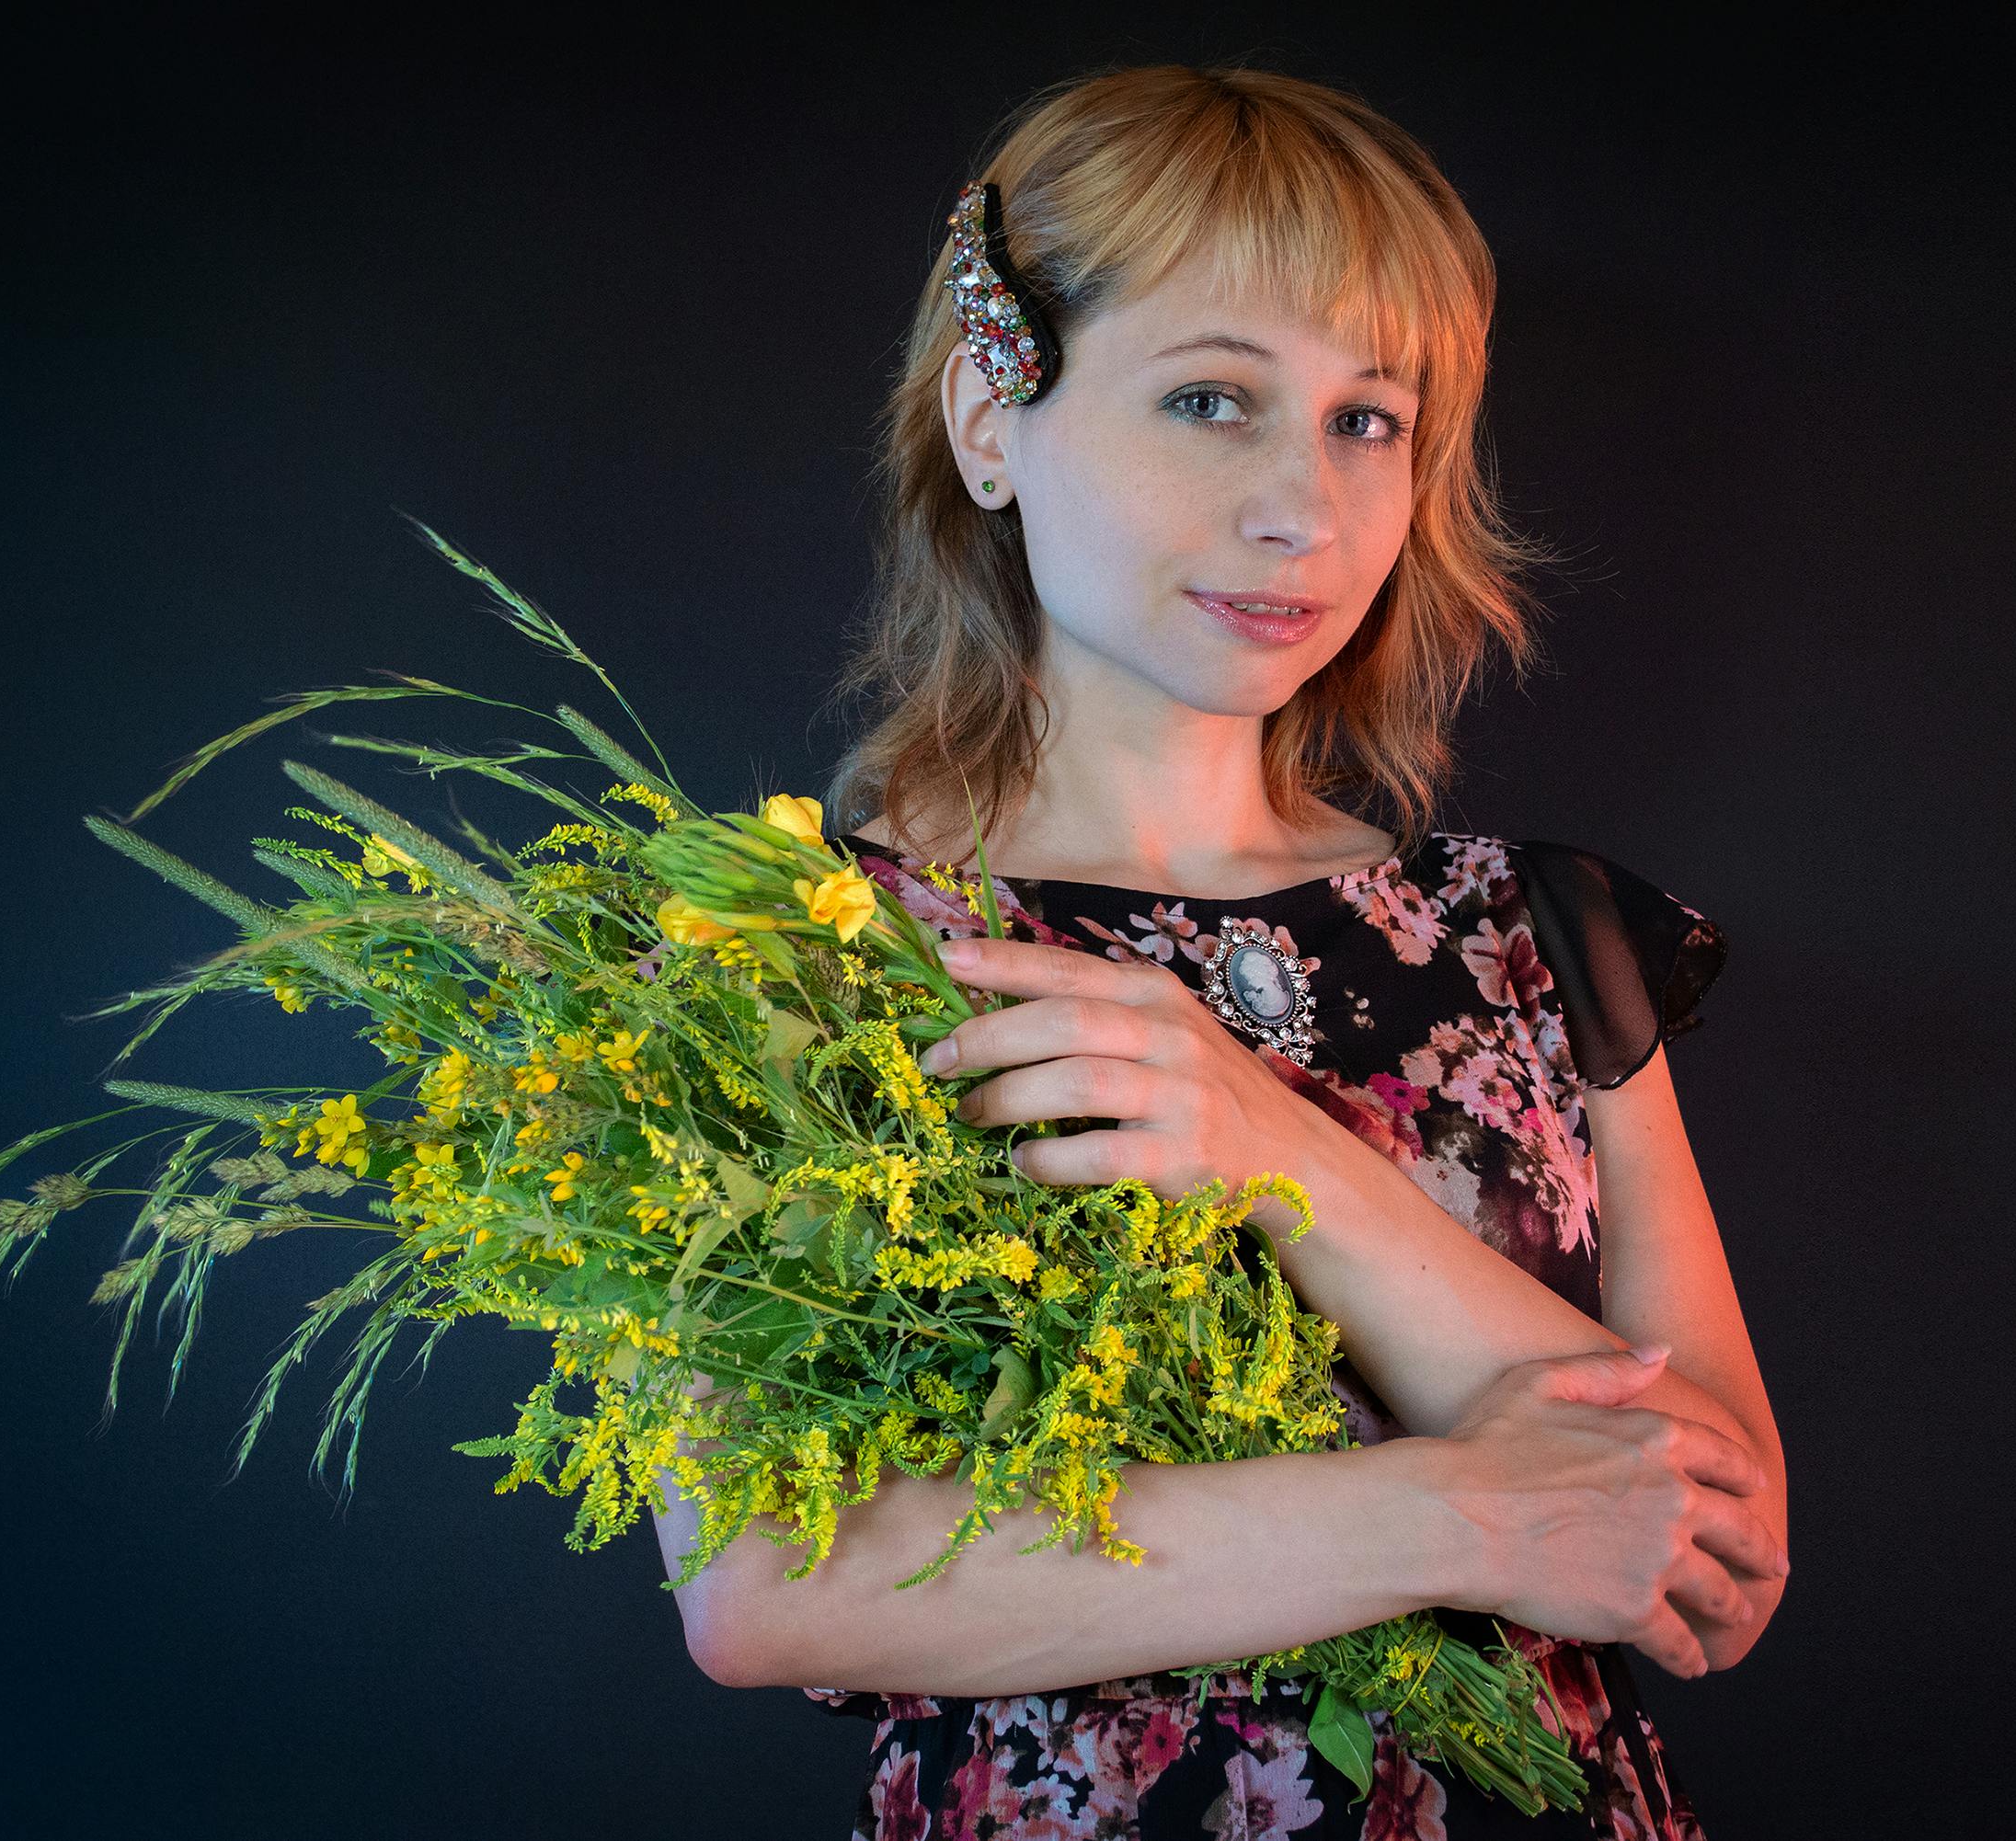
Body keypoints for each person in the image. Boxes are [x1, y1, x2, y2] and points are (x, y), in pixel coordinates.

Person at [652, 63, 1787, 1841]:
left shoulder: (1538, 932)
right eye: (1208, 399)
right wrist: (1458, 1514)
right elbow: (770, 1583)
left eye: (1368, 421)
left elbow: (1715, 1549)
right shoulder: (804, 965)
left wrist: (1275, 1155)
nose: (1305, 509)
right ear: (988, 421)